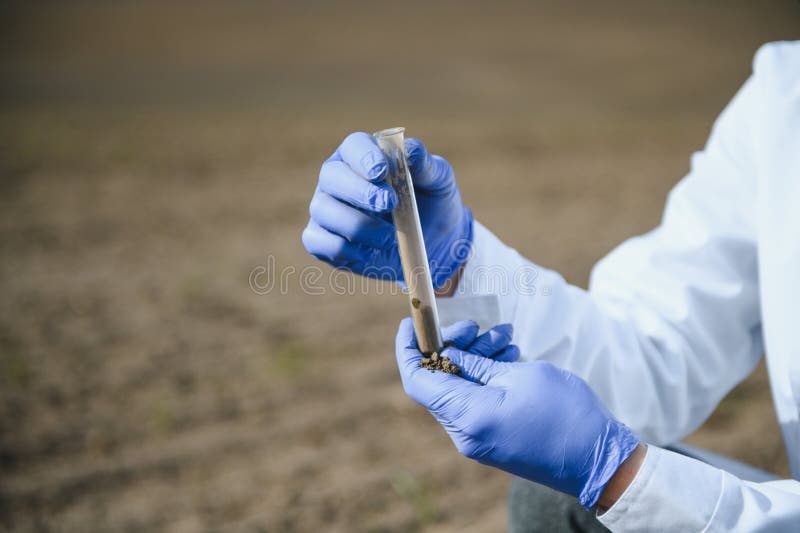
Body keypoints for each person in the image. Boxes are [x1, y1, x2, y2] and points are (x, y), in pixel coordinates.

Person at [302, 42, 800, 531]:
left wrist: (620, 477)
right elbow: (654, 352)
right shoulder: (783, 96)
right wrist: (456, 265)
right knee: (550, 500)